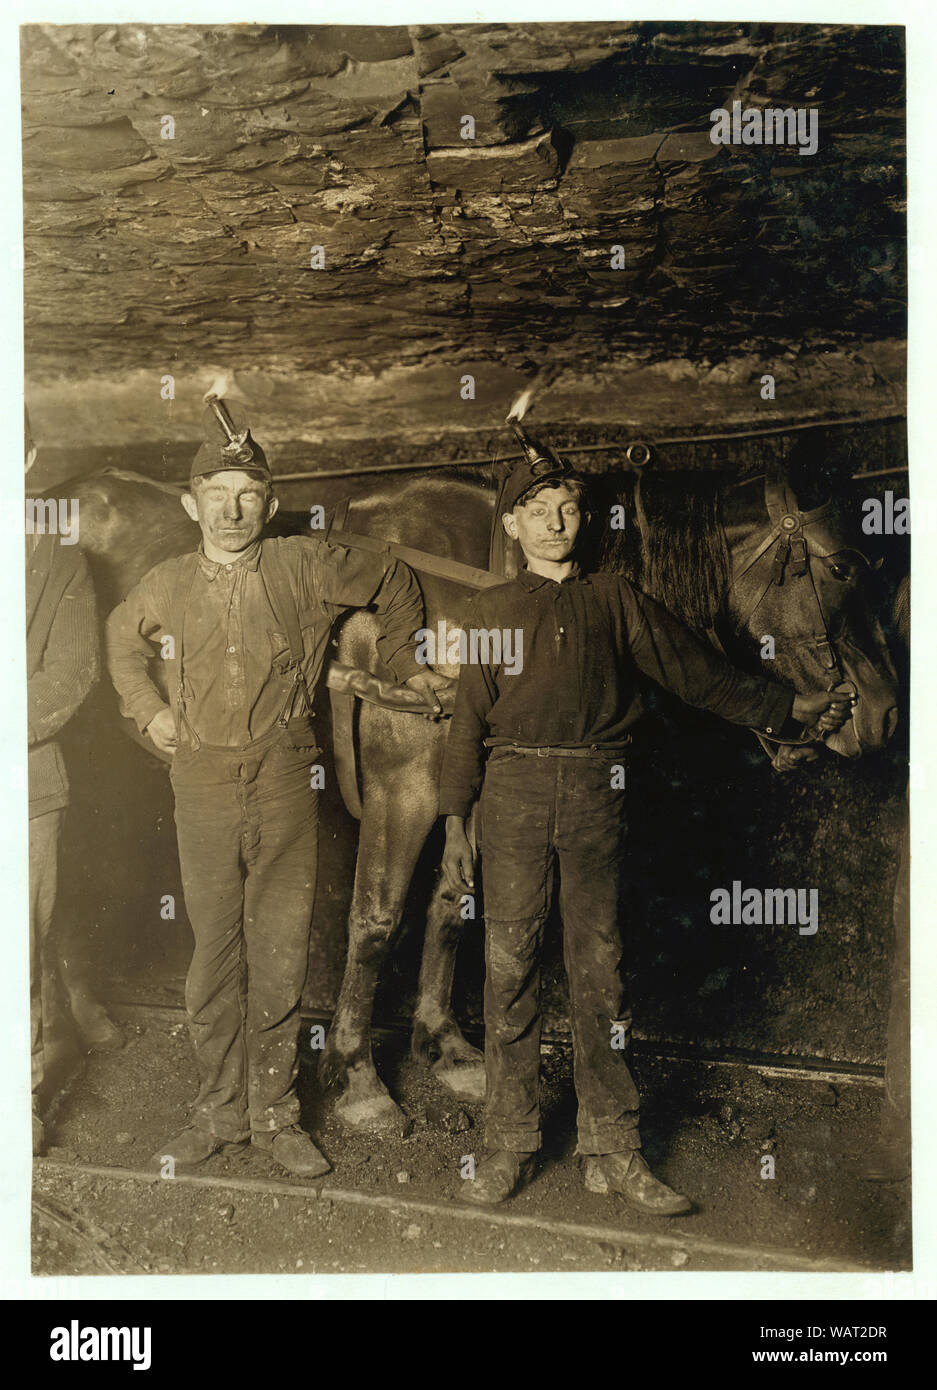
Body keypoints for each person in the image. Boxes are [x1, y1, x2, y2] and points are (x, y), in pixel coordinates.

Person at [439, 424, 852, 1211]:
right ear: (511, 526)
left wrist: (787, 707)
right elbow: (464, 727)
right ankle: (505, 1145)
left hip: (599, 793)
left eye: (567, 506)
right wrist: (456, 822)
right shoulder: (485, 608)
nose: (556, 520)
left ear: (583, 521)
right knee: (508, 972)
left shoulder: (615, 598)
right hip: (514, 795)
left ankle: (614, 1149)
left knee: (601, 975)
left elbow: (699, 677)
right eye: (538, 509)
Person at [106, 410, 449, 1176]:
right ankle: (217, 1113)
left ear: (269, 503)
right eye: (216, 492)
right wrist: (149, 710)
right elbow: (119, 639)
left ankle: (275, 1116)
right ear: (190, 504)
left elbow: (394, 577)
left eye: (247, 494)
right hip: (199, 780)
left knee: (280, 951)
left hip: (286, 775)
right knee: (213, 955)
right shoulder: (163, 581)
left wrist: (400, 659)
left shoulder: (306, 563)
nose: (232, 509)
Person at [27, 504, 100, 1155]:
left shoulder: (57, 556)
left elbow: (72, 670)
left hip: (25, 785)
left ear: (29, 458)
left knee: (19, 939)